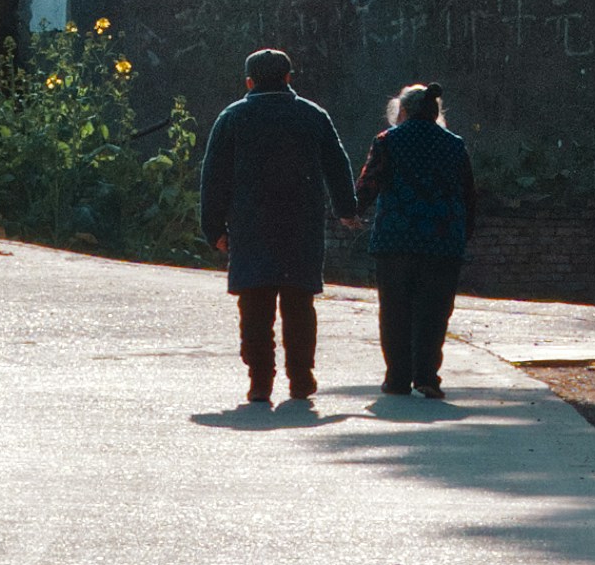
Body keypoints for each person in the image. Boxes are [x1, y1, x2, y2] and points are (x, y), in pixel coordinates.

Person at [198, 46, 355, 409]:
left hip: (251, 228)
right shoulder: (311, 114)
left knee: (254, 307)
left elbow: (213, 176)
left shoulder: (232, 117)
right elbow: (337, 162)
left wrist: (213, 228)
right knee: (299, 305)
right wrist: (346, 208)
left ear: (249, 81)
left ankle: (259, 382)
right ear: (288, 78)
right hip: (301, 226)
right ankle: (300, 378)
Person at [361, 81, 479, 397]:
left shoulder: (387, 141)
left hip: (395, 240)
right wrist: (462, 234)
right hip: (442, 242)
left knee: (395, 310)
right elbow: (468, 194)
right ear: (435, 111)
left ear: (403, 110)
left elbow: (370, 182)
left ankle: (397, 378)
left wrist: (351, 210)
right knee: (434, 311)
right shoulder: (454, 144)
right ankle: (426, 376)